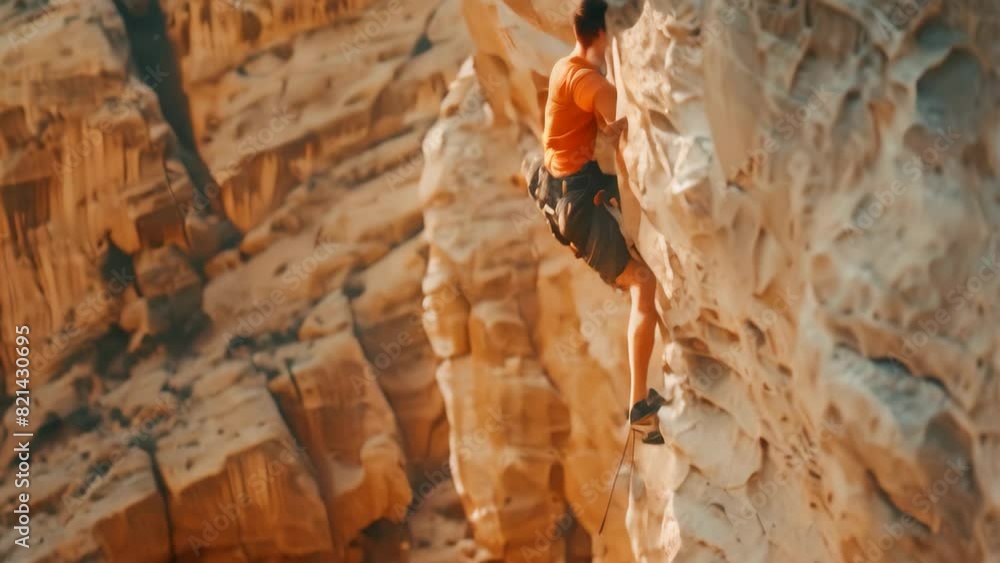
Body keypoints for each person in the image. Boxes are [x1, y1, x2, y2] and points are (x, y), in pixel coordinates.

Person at [527, 0, 664, 442]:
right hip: (580, 209)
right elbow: (628, 136)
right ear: (605, 32)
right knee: (643, 282)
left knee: (634, 278)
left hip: (565, 194)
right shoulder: (594, 85)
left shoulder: (565, 66)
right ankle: (639, 406)